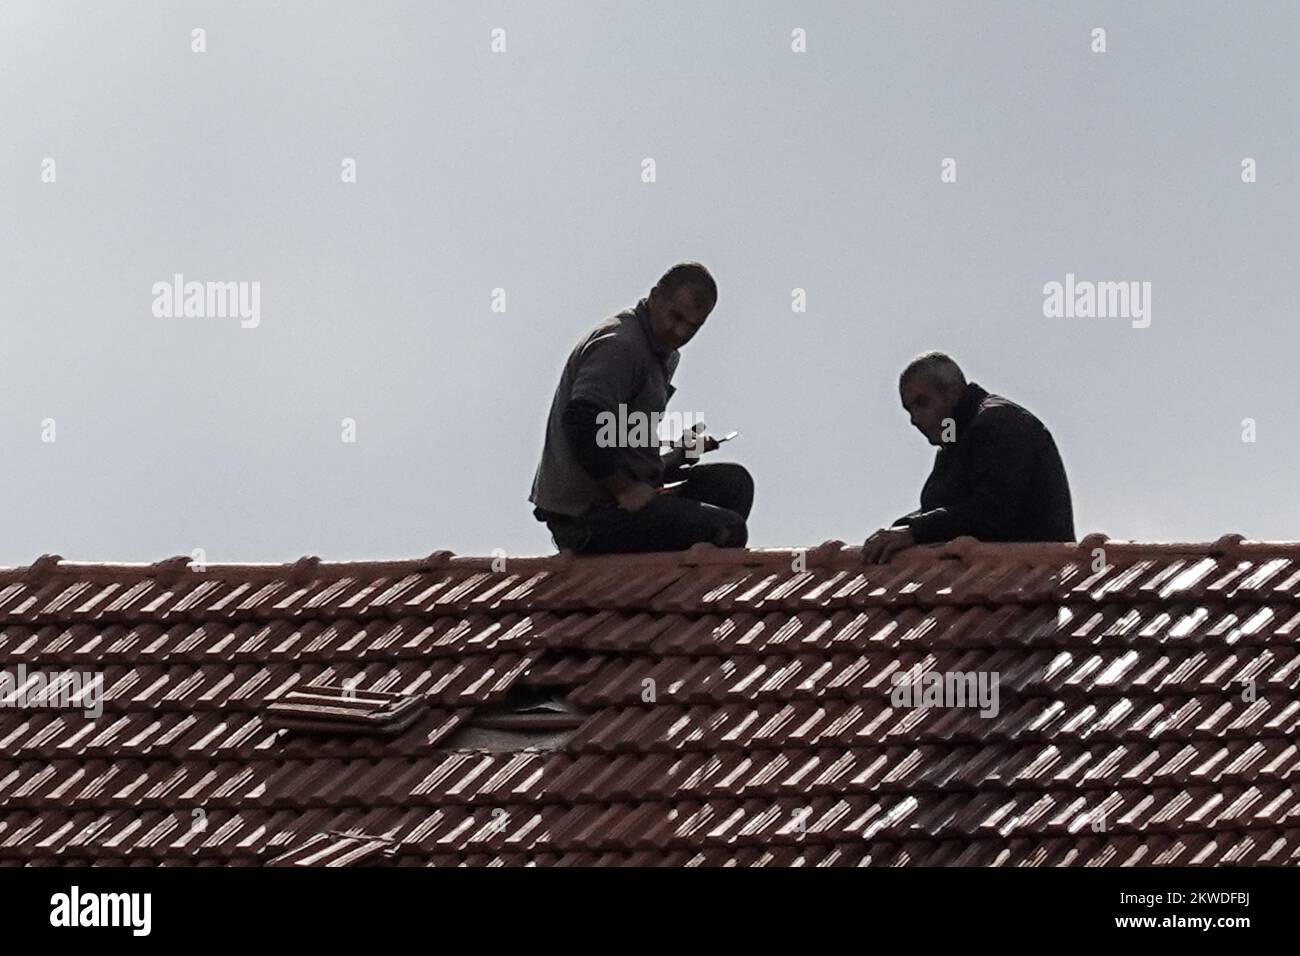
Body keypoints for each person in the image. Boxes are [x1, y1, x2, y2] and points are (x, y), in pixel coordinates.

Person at [529, 262, 753, 554]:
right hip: (587, 519)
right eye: (676, 317)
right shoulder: (621, 345)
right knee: (727, 530)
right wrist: (625, 490)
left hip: (613, 499)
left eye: (693, 327)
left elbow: (619, 439)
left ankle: (677, 573)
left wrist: (678, 455)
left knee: (733, 484)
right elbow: (582, 422)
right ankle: (670, 588)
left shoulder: (657, 353)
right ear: (655, 296)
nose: (680, 332)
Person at [862, 352, 1074, 563]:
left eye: (922, 403)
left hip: (1032, 579)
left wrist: (912, 531)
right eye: (909, 410)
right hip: (994, 577)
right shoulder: (954, 442)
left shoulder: (998, 424)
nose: (914, 419)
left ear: (953, 393)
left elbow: (991, 512)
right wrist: (902, 529)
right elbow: (941, 509)